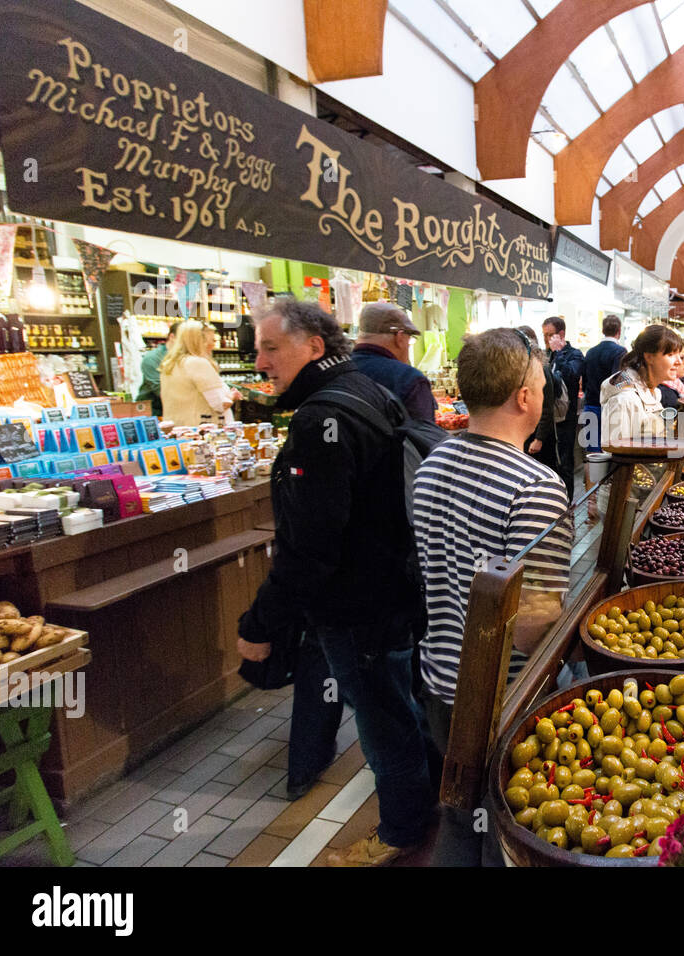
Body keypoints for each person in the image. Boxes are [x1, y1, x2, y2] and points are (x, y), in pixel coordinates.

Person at [237, 298, 433, 867]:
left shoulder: (324, 417)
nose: (260, 362)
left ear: (314, 346)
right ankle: (424, 806)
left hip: (357, 606)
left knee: (382, 723)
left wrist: (261, 623)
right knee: (399, 706)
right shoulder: (365, 393)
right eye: (257, 350)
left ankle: (400, 833)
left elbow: (310, 546)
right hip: (393, 590)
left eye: (271, 348)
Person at [413, 327, 572, 750]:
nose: (542, 396)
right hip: (504, 696)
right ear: (524, 398)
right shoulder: (535, 487)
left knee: (456, 802)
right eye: (541, 387)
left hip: (439, 680)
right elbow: (531, 625)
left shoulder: (433, 461)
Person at [349, 301, 435, 422]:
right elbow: (427, 437)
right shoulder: (409, 379)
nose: (408, 346)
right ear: (399, 338)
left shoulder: (338, 370)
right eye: (409, 340)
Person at [602, 325, 684, 444]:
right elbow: (617, 453)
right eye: (671, 355)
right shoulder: (625, 399)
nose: (679, 362)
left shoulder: (653, 392)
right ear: (649, 357)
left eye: (679, 355)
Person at [580, 315, 625, 518]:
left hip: (590, 407)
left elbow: (584, 379)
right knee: (611, 453)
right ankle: (609, 500)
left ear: (603, 330)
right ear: (619, 331)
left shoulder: (590, 352)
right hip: (609, 410)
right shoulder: (620, 352)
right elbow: (617, 382)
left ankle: (591, 501)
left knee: (591, 456)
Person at [160, 321, 235, 427]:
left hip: (177, 430)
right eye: (208, 340)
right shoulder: (197, 363)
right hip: (200, 431)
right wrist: (232, 396)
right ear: (200, 341)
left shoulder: (169, 364)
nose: (210, 345)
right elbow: (220, 405)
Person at [542, 316, 584, 498]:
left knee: (565, 461)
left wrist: (559, 354)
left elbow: (572, 375)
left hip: (566, 418)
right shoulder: (545, 355)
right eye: (544, 335)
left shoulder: (574, 354)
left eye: (550, 335)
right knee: (550, 462)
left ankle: (568, 503)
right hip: (547, 418)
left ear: (561, 334)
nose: (547, 339)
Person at [517, 325, 562, 480]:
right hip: (531, 433)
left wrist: (539, 438)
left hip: (542, 436)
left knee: (546, 471)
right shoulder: (528, 366)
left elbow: (546, 406)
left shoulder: (540, 367)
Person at [136, 321, 180, 416]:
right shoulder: (153, 358)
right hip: (153, 412)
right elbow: (161, 390)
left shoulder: (185, 358)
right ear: (172, 337)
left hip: (175, 410)